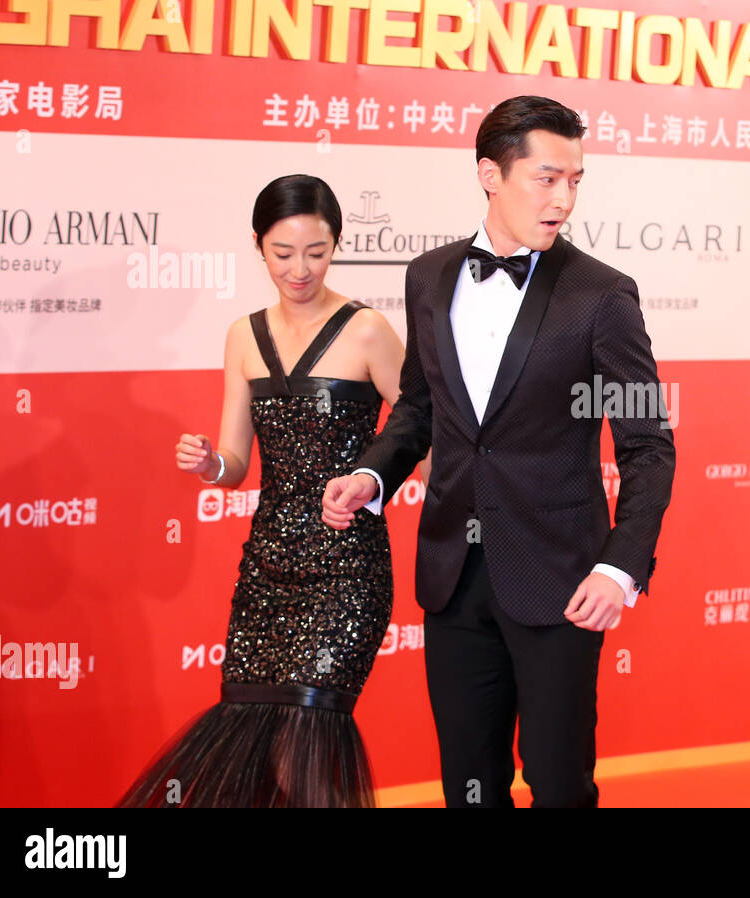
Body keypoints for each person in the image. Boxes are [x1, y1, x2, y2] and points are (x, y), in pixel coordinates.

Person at [321, 96, 675, 808]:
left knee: (559, 785)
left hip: (561, 581)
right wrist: (371, 473)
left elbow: (647, 446)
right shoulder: (429, 277)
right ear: (491, 174)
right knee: (469, 784)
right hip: (454, 576)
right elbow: (419, 409)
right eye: (547, 179)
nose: (564, 199)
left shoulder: (602, 296)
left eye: (576, 180)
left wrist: (620, 566)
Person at [118, 175, 409, 807]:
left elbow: (425, 430)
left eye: (317, 252)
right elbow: (236, 463)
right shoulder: (242, 336)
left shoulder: (367, 330)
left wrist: (376, 482)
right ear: (258, 247)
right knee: (263, 763)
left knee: (308, 748)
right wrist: (206, 467)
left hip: (345, 568)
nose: (299, 269)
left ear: (337, 245)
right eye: (283, 253)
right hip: (266, 571)